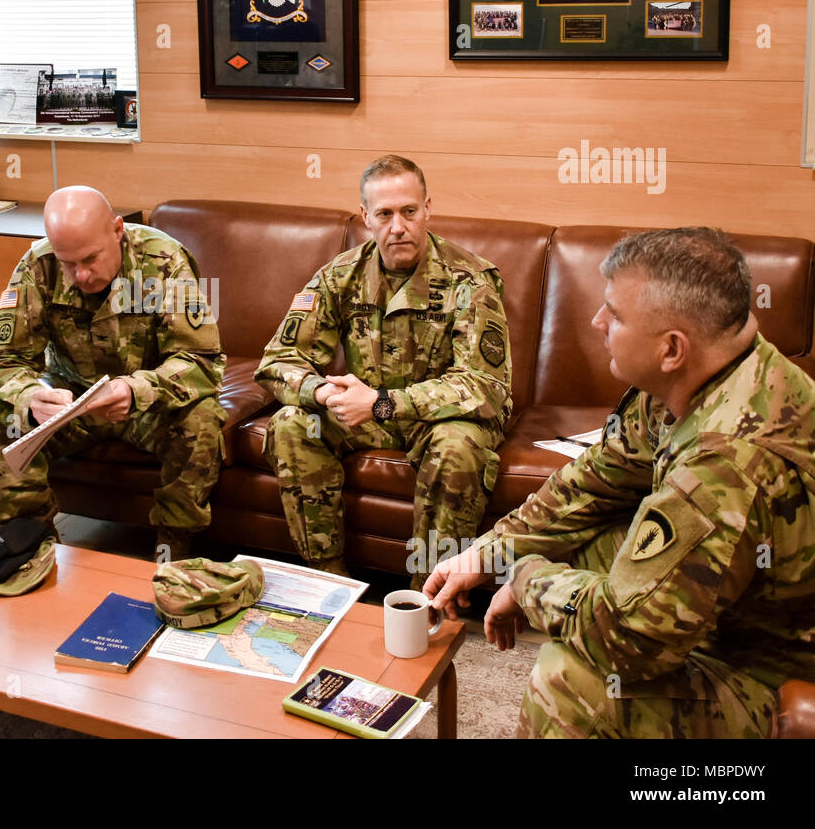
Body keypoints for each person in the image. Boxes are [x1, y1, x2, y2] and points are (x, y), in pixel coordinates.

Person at [425, 227, 815, 738]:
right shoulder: (693, 377)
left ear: (672, 348)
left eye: (616, 314)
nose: (597, 321)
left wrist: (527, 582)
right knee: (591, 546)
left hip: (764, 663)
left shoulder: (726, 464)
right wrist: (490, 553)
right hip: (732, 603)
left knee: (570, 683)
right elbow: (592, 483)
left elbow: (628, 638)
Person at [256, 155, 512, 586]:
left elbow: (485, 387)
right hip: (367, 414)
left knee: (457, 448)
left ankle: (429, 594)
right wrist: (322, 392)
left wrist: (383, 402)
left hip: (438, 420)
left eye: (410, 212)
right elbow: (278, 361)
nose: (399, 227)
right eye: (385, 214)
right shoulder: (341, 276)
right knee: (291, 424)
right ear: (365, 217)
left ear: (427, 209)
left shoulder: (469, 280)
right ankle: (329, 578)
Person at [0, 186, 226, 586]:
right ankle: (31, 540)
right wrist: (30, 395)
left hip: (146, 402)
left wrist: (135, 389)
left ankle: (174, 547)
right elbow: (3, 360)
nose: (81, 275)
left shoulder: (164, 261)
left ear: (118, 230)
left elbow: (201, 362)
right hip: (69, 401)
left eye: (90, 259)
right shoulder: (38, 266)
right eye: (68, 263)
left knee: (202, 419)